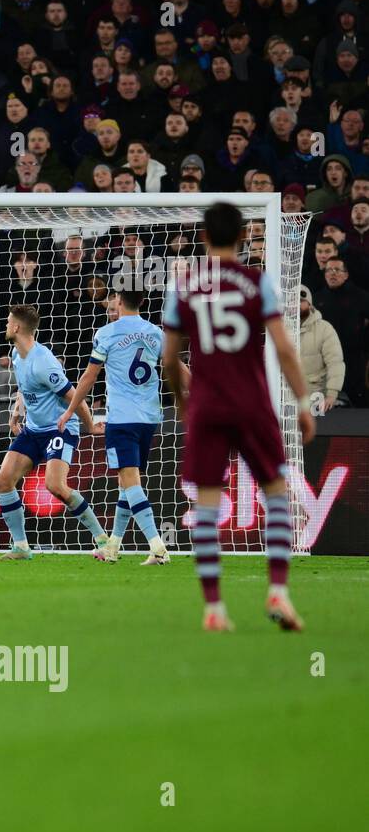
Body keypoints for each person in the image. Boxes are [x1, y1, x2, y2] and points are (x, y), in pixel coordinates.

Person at [162, 201, 315, 632]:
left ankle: (213, 608)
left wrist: (180, 400)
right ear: (244, 236)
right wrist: (303, 402)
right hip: (252, 401)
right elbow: (284, 348)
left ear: (204, 237)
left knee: (207, 502)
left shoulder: (184, 286)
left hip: (208, 405)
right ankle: (279, 593)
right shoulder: (257, 282)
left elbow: (169, 358)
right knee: (277, 492)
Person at [58, 288, 169, 564]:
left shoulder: (107, 333)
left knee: (130, 482)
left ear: (118, 301)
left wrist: (70, 410)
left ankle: (157, 546)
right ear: (142, 301)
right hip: (149, 418)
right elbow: (176, 366)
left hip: (121, 418)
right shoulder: (156, 332)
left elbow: (89, 377)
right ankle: (113, 546)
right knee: (125, 482)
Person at [0, 305, 109, 561]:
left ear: (16, 327)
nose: (5, 325)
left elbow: (75, 397)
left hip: (59, 428)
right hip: (34, 429)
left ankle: (104, 540)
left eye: (7, 321)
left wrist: (89, 426)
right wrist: (16, 411)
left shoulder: (43, 363)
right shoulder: (16, 354)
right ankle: (21, 547)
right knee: (3, 481)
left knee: (55, 486)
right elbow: (24, 388)